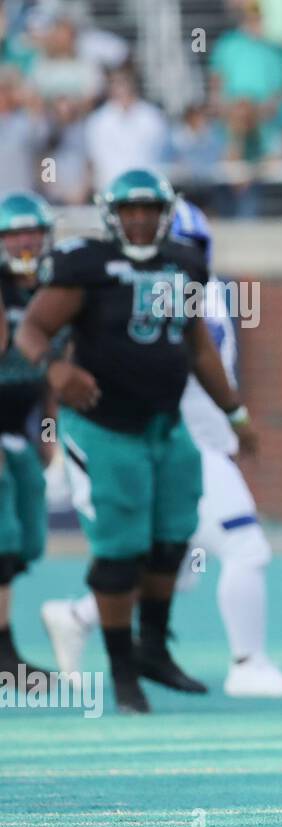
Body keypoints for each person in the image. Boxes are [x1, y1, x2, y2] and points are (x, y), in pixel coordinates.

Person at [39, 199, 282, 698]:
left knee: (172, 564)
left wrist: (236, 417)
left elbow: (206, 360)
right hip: (170, 437)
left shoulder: (194, 288)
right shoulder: (126, 287)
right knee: (243, 545)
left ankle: (77, 616)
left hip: (194, 441)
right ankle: (246, 663)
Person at [17, 169, 256, 714]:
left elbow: (198, 350)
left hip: (166, 425)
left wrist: (235, 413)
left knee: (173, 540)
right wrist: (56, 371)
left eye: (150, 209)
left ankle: (153, 647)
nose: (141, 219)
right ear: (112, 215)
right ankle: (124, 673)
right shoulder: (86, 265)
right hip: (105, 428)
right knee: (120, 555)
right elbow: (31, 330)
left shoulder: (185, 264)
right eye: (131, 211)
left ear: (165, 212)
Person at [0, 191, 57, 688]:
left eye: (29, 232)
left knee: (22, 542)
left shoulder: (52, 285)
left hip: (17, 426)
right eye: (13, 233)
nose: (22, 241)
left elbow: (52, 370)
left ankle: (4, 648)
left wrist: (48, 430)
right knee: (2, 538)